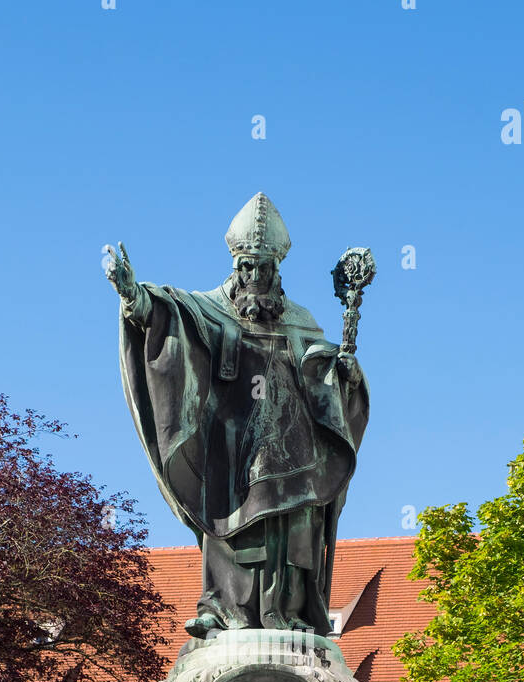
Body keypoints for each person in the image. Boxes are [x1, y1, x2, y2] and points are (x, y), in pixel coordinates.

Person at [105, 192, 369, 637]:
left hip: (294, 443)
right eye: (245, 266)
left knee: (294, 522)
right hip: (231, 442)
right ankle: (223, 608)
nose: (252, 275)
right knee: (227, 516)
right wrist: (134, 297)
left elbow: (326, 378)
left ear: (276, 270)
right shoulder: (213, 308)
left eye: (261, 267)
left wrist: (345, 375)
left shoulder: (300, 318)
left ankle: (290, 610)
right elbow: (173, 314)